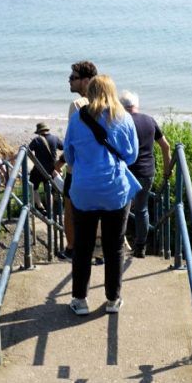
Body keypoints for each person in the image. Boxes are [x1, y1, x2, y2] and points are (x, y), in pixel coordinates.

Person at [64, 75, 139, 315]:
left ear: (91, 92)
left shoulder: (77, 119)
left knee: (83, 246)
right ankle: (112, 300)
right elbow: (131, 155)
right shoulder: (124, 118)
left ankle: (79, 299)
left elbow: (69, 156)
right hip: (114, 190)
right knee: (114, 246)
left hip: (84, 190)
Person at [120, 90, 172, 258]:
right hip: (147, 172)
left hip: (127, 173)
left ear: (122, 106)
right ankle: (141, 247)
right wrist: (167, 170)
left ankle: (118, 244)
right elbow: (166, 146)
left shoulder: (121, 121)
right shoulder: (150, 121)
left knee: (122, 208)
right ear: (136, 105)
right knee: (142, 209)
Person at [61, 61, 98, 259]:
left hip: (77, 170)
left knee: (70, 209)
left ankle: (72, 248)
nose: (69, 81)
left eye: (73, 78)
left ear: (86, 81)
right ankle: (94, 249)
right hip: (99, 167)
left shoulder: (76, 106)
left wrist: (64, 162)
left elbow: (72, 142)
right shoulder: (107, 103)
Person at [26, 121, 67, 253]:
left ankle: (40, 206)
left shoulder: (37, 140)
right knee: (48, 187)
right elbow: (64, 148)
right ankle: (49, 209)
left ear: (39, 131)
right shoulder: (55, 138)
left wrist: (34, 160)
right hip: (51, 170)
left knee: (33, 187)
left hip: (39, 169)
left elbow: (27, 151)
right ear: (47, 130)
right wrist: (60, 163)